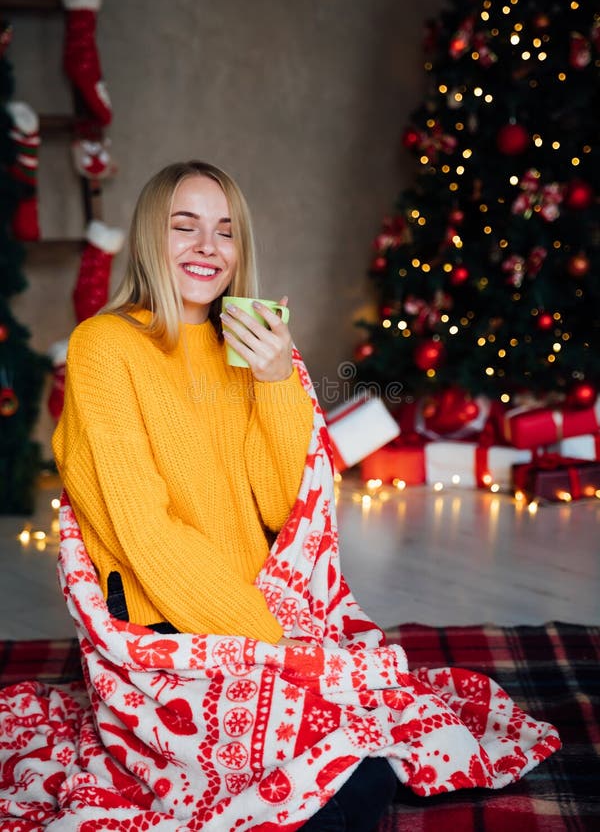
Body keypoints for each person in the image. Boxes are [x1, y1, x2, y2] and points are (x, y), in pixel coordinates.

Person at [52, 160, 397, 831]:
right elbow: (146, 536)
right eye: (186, 227)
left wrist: (274, 381)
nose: (208, 247)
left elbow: (284, 511)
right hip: (164, 630)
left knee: (370, 757)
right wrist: (276, 645)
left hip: (249, 610)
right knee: (342, 779)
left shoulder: (242, 347)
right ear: (153, 237)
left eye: (226, 232)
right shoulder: (105, 346)